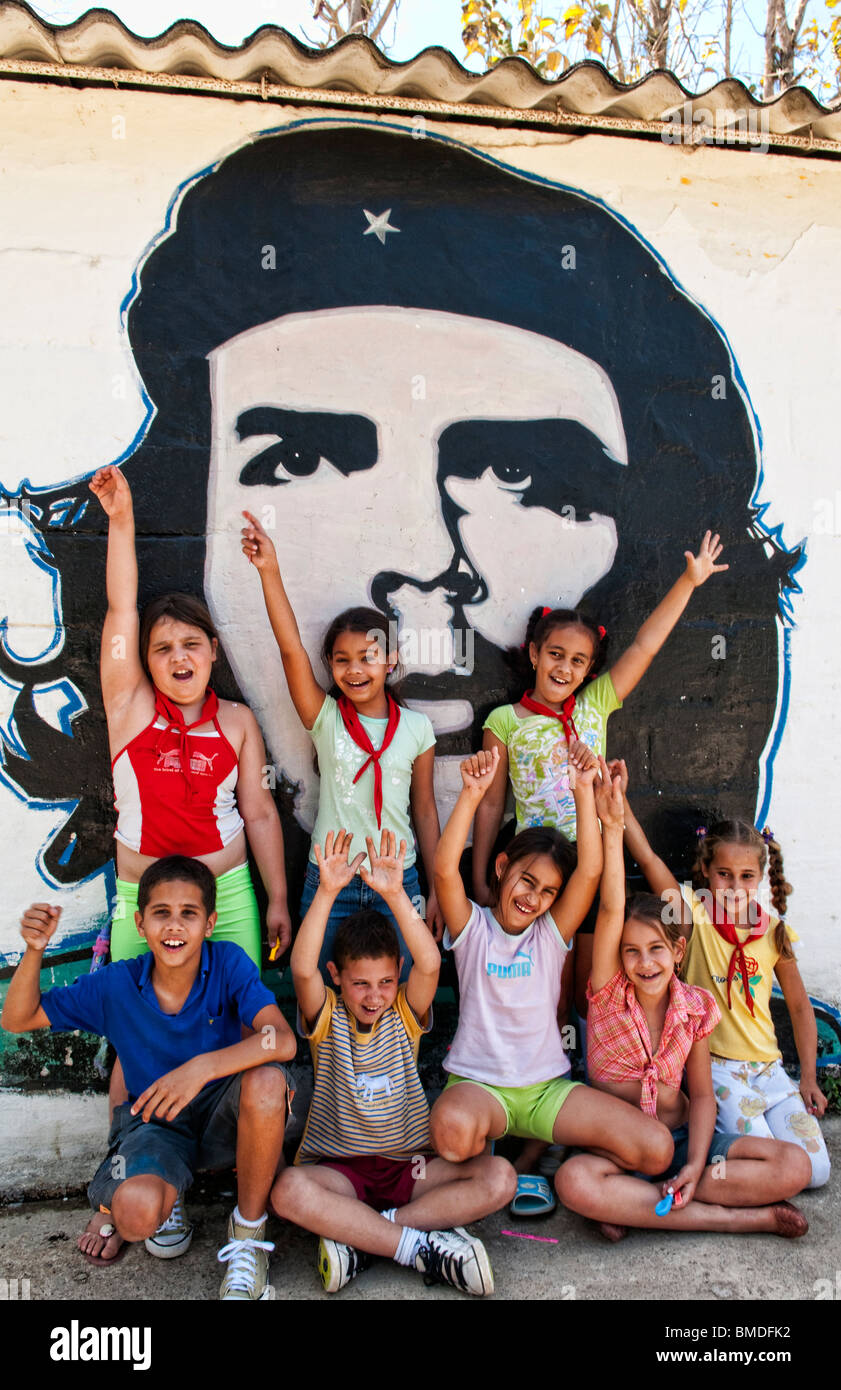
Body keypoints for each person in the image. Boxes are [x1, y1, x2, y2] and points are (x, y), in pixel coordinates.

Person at [5, 125, 796, 934]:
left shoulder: (439, 730)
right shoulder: (337, 717)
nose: (422, 557)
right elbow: (281, 650)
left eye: (526, 478)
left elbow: (453, 802)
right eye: (303, 456)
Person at [1, 856, 296, 1300]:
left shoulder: (228, 963)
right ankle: (166, 1187)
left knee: (270, 1081)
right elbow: (19, 1018)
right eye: (161, 914)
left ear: (210, 923)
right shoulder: (117, 984)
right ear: (140, 924)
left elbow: (282, 1039)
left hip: (226, 1117)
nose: (174, 926)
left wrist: (201, 1069)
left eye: (188, 914)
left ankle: (248, 1238)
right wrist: (35, 951)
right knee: (136, 1216)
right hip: (157, 1127)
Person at [472, 531, 728, 1018]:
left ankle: (587, 1063)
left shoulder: (596, 704)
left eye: (577, 661)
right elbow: (490, 804)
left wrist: (689, 583)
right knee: (549, 974)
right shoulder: (504, 721)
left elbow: (646, 646)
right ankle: (546, 1055)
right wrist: (483, 877)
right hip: (537, 869)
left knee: (593, 974)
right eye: (554, 655)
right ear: (533, 654)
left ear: (590, 670)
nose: (564, 668)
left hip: (594, 859)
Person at [556, 762, 811, 1239]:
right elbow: (613, 906)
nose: (644, 963)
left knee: (793, 1166)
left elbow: (702, 1100)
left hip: (685, 1149)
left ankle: (644, 1203)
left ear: (678, 951)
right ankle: (739, 1218)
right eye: (630, 951)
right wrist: (610, 825)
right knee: (573, 1180)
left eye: (656, 950)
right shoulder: (610, 994)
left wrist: (695, 1165)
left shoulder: (693, 1007)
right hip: (622, 1152)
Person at [270, 828, 513, 1295]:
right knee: (287, 1192)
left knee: (499, 1177)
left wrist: (397, 892)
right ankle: (414, 1247)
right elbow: (302, 968)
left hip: (411, 1169)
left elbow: (430, 964)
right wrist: (325, 892)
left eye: (384, 981)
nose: (374, 995)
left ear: (396, 974)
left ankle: (366, 1237)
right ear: (336, 977)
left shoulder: (403, 1011)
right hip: (340, 1171)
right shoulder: (326, 1017)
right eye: (361, 984)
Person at [428, 748, 675, 1206]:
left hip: (547, 1094)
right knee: (452, 1134)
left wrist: (584, 790)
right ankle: (519, 1166)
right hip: (479, 1089)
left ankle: (533, 1163)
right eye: (526, 881)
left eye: (548, 892)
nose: (534, 898)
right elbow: (444, 869)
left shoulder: (550, 934)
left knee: (658, 1148)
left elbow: (591, 870)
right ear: (502, 868)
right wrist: (472, 794)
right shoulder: (472, 928)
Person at [241, 510, 441, 978]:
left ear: (391, 659)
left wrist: (434, 888)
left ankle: (390, 1055)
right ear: (330, 665)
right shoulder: (327, 719)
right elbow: (290, 649)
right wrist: (270, 571)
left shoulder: (416, 729)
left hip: (399, 877)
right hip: (333, 877)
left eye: (368, 657)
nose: (355, 670)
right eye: (342, 660)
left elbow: (426, 811)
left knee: (396, 988)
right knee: (319, 983)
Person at [622, 796, 830, 1189]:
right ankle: (702, 1169)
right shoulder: (693, 916)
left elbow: (801, 1008)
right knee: (767, 1164)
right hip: (718, 1071)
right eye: (724, 874)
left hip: (770, 1072)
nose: (735, 887)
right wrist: (621, 811)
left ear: (762, 876)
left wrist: (807, 1077)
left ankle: (712, 1167)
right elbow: (650, 860)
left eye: (746, 876)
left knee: (816, 1173)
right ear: (705, 870)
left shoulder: (774, 931)